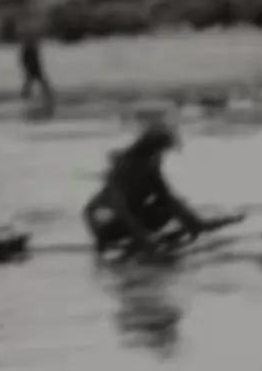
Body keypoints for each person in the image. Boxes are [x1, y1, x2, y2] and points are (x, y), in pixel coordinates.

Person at [82, 121, 211, 256]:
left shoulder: (151, 168)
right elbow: (120, 207)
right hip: (105, 222)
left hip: (128, 217)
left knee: (168, 205)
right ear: (151, 150)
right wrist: (142, 236)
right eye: (160, 152)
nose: (161, 158)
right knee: (124, 215)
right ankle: (132, 238)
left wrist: (194, 222)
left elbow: (168, 198)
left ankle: (139, 237)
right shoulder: (124, 168)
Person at [20, 35, 54, 106]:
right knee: (35, 81)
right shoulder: (28, 50)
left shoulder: (31, 50)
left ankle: (25, 94)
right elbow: (26, 60)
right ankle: (47, 93)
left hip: (34, 68)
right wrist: (28, 67)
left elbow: (35, 60)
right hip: (33, 68)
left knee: (32, 82)